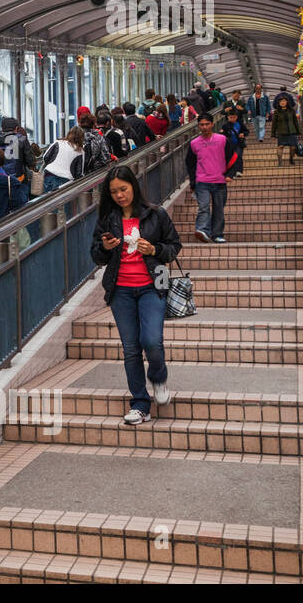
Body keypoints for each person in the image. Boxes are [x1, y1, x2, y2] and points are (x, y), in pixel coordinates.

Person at [90, 165, 182, 425]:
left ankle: (159, 376)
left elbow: (174, 247)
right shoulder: (108, 219)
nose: (120, 195)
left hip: (153, 286)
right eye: (114, 192)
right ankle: (140, 404)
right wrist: (106, 249)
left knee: (151, 341)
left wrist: (154, 249)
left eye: (124, 189)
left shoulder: (156, 214)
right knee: (131, 349)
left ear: (134, 186)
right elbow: (96, 255)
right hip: (121, 292)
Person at [186, 113, 237, 243]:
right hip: (202, 182)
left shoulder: (222, 139)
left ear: (212, 124)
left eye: (207, 124)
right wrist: (193, 183)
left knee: (218, 208)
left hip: (220, 181)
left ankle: (217, 234)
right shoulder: (194, 143)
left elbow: (233, 157)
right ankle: (202, 230)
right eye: (202, 125)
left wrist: (230, 174)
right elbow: (190, 164)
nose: (204, 127)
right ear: (198, 126)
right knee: (203, 207)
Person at [0, 116, 36, 203]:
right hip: (17, 182)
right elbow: (30, 161)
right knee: (21, 210)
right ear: (16, 128)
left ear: (2, 128)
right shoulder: (21, 139)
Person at [42, 126, 86, 191]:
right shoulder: (80, 151)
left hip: (49, 175)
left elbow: (45, 157)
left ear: (69, 133)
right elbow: (79, 173)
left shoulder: (58, 142)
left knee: (49, 199)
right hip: (66, 180)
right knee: (62, 200)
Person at [272, 95, 302, 165]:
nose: (282, 102)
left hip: (291, 131)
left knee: (293, 147)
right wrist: (273, 134)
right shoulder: (276, 112)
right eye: (280, 101)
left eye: (284, 101)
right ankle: (280, 162)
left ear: (287, 102)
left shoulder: (292, 111)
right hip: (281, 132)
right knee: (280, 146)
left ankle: (291, 159)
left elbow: (295, 122)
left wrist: (298, 131)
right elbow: (274, 124)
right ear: (278, 103)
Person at [220, 105, 247, 177]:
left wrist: (243, 133)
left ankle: (239, 171)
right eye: (230, 117)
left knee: (238, 156)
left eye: (234, 117)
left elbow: (246, 131)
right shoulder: (225, 125)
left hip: (239, 143)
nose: (232, 119)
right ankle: (233, 172)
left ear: (237, 117)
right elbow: (223, 135)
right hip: (229, 144)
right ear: (228, 117)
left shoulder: (240, 124)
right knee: (231, 158)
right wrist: (222, 133)